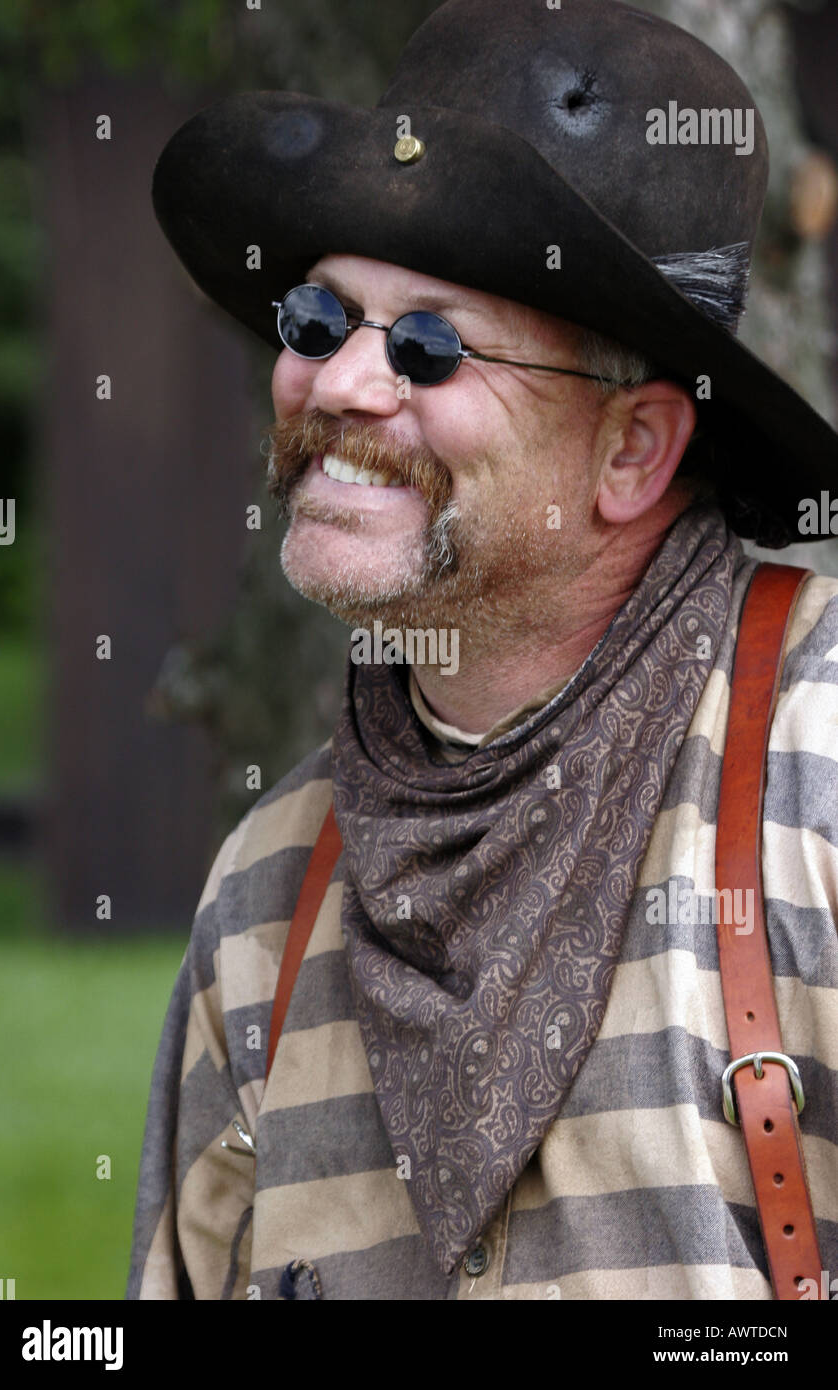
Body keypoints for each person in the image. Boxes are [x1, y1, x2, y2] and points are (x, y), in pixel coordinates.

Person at [127, 0, 838, 1300]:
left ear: (629, 451)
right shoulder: (268, 890)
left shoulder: (817, 768)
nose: (338, 382)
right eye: (316, 319)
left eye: (427, 345)